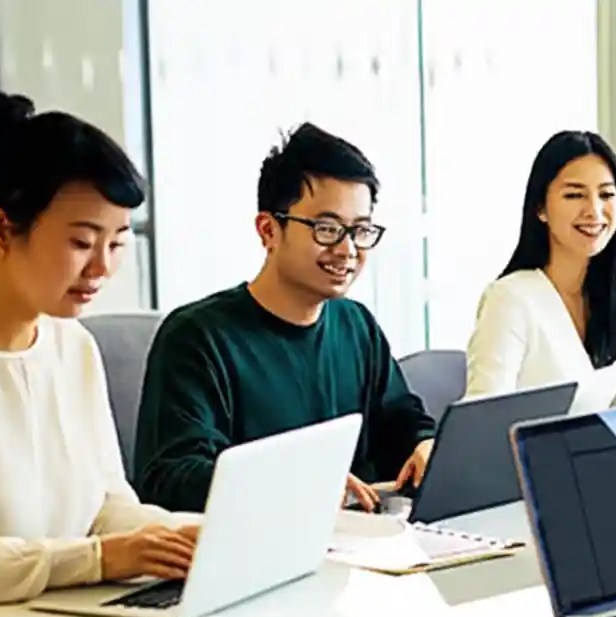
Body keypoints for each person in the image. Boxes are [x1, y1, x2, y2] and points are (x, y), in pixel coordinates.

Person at [132, 123, 435, 513]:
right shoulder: (197, 338)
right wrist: (293, 482)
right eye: (327, 229)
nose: (347, 250)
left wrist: (423, 444)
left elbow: (400, 420)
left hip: (357, 535)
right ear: (268, 230)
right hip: (250, 542)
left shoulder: (356, 325)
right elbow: (171, 478)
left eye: (360, 230)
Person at [0, 93, 197, 605]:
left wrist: (181, 535)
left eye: (116, 243)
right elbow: (100, 547)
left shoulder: (71, 346)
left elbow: (105, 504)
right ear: (1, 230)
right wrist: (96, 559)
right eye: (81, 243)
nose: (102, 269)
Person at [464, 130, 616, 414]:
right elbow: (483, 418)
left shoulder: (614, 289)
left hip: (597, 443)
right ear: (541, 207)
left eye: (606, 194)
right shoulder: (509, 299)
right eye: (575, 195)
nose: (594, 211)